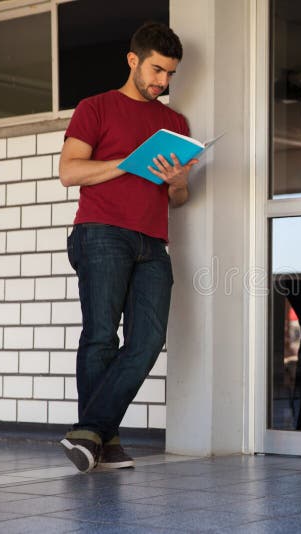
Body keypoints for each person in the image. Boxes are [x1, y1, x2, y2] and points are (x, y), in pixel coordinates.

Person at [57, 22, 197, 472]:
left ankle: (90, 432)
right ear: (133, 60)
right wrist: (129, 162)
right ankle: (106, 441)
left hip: (152, 241)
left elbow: (178, 199)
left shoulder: (175, 124)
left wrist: (178, 181)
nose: (163, 81)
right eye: (157, 70)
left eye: (170, 74)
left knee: (148, 341)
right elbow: (69, 172)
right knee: (101, 336)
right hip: (101, 232)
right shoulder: (95, 107)